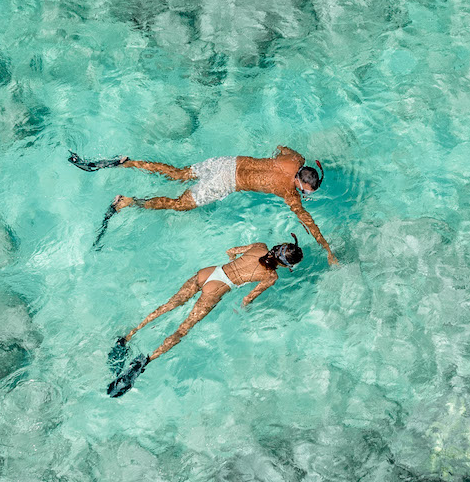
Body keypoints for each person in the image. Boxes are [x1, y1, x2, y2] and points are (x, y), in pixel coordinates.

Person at [105, 237, 303, 397]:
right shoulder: (271, 276)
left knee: (168, 306)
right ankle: (145, 361)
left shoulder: (260, 246)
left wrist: (235, 263)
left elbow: (231, 251)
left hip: (209, 272)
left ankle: (128, 337)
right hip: (218, 289)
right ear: (285, 265)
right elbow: (247, 298)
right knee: (183, 328)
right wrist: (244, 310)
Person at [71, 145, 339, 263]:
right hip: (225, 182)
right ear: (300, 183)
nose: (301, 194)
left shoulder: (295, 159)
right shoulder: (289, 192)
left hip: (227, 162)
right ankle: (128, 202)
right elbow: (307, 221)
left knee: (179, 174)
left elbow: (280, 148)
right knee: (180, 204)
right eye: (303, 190)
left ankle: (127, 162)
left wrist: (269, 165)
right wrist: (326, 249)